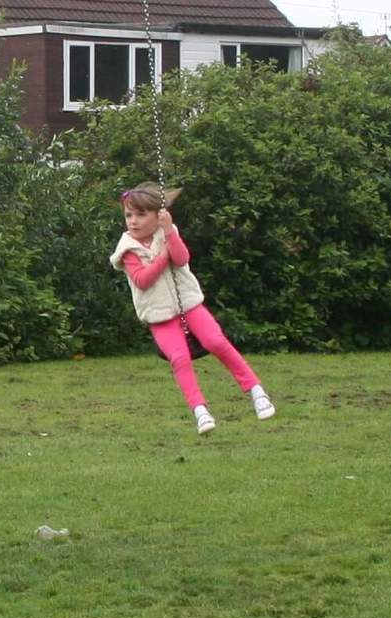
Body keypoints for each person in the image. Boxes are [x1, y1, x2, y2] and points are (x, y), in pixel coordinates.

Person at [109, 184, 273, 435]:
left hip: (188, 304)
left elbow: (182, 258)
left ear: (158, 215)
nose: (133, 221)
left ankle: (256, 391)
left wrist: (169, 234)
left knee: (216, 341)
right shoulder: (127, 249)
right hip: (159, 315)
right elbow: (142, 280)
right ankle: (200, 411)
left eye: (141, 215)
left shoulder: (168, 231)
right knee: (180, 358)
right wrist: (163, 255)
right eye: (129, 215)